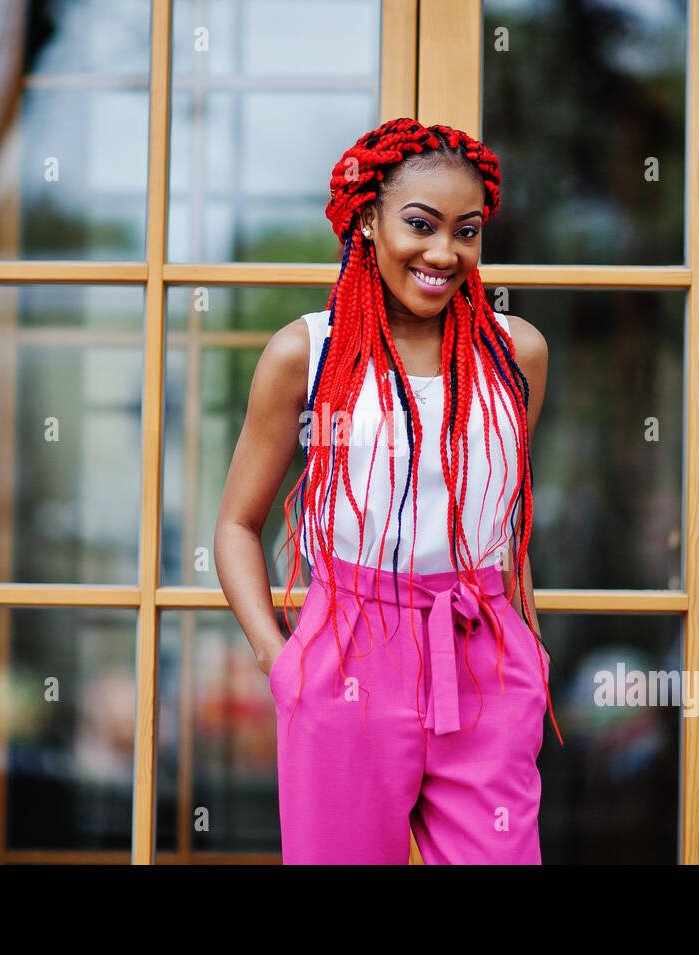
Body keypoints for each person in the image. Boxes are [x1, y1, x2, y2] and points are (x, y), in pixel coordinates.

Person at [214, 117, 560, 864]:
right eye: (420, 224)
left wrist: (529, 649)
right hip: (347, 653)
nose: (444, 252)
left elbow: (505, 517)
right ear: (368, 220)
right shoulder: (307, 353)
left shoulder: (517, 352)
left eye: (466, 231)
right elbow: (237, 525)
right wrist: (285, 666)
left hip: (483, 651)